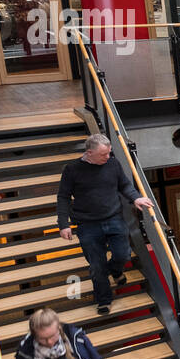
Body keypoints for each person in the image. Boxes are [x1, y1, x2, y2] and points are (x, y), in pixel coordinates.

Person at [57, 134, 154, 315]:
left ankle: (116, 272)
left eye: (109, 153)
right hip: (87, 225)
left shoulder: (113, 164)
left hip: (113, 218)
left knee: (123, 254)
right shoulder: (72, 170)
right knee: (97, 265)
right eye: (103, 154)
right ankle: (104, 300)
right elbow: (63, 197)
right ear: (89, 153)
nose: (107, 157)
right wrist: (63, 223)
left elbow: (124, 185)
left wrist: (136, 198)